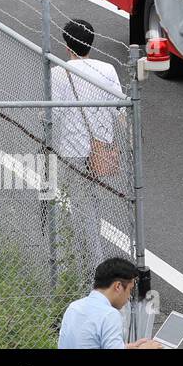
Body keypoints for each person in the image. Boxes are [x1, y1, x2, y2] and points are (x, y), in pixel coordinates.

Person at [50, 19, 126, 281]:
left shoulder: (60, 70)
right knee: (92, 203)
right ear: (90, 43)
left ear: (66, 43)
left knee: (78, 206)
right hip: (100, 147)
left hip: (73, 148)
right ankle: (92, 258)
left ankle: (91, 264)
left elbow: (54, 111)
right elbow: (119, 108)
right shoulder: (107, 69)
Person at [58, 257, 160, 349]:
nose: (129, 296)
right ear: (118, 286)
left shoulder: (74, 307)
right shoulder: (109, 314)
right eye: (130, 289)